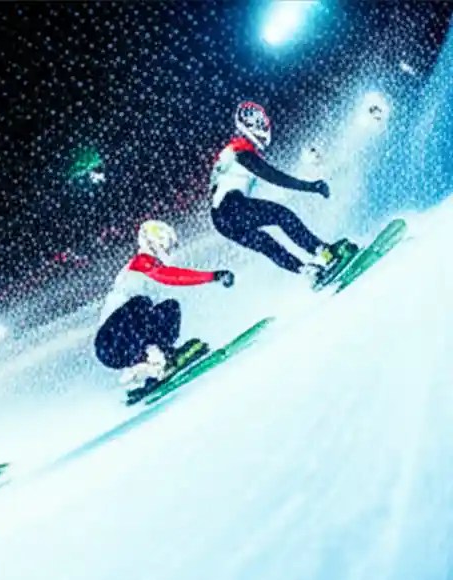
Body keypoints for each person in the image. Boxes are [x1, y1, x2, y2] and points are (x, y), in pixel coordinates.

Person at [210, 101, 357, 284]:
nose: (264, 129)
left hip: (221, 220)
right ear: (248, 126)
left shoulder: (230, 152)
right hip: (231, 208)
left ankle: (307, 271)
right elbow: (275, 177)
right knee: (282, 215)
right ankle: (325, 253)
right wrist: (311, 186)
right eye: (261, 126)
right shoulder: (241, 152)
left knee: (266, 244)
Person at [95, 220, 233, 392]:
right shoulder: (141, 261)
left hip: (114, 350)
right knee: (143, 305)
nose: (168, 252)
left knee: (169, 308)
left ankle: (147, 366)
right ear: (155, 242)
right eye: (167, 246)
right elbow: (170, 276)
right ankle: (160, 357)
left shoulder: (138, 270)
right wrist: (213, 276)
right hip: (112, 340)